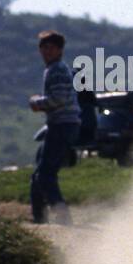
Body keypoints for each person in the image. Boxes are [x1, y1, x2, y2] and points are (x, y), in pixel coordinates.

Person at [28, 31, 81, 225]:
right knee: (39, 174)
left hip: (62, 125)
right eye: (43, 47)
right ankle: (39, 217)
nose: (45, 51)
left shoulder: (56, 70)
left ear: (59, 50)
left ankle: (62, 215)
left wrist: (37, 102)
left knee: (45, 174)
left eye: (50, 48)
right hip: (63, 125)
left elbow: (59, 99)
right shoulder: (55, 68)